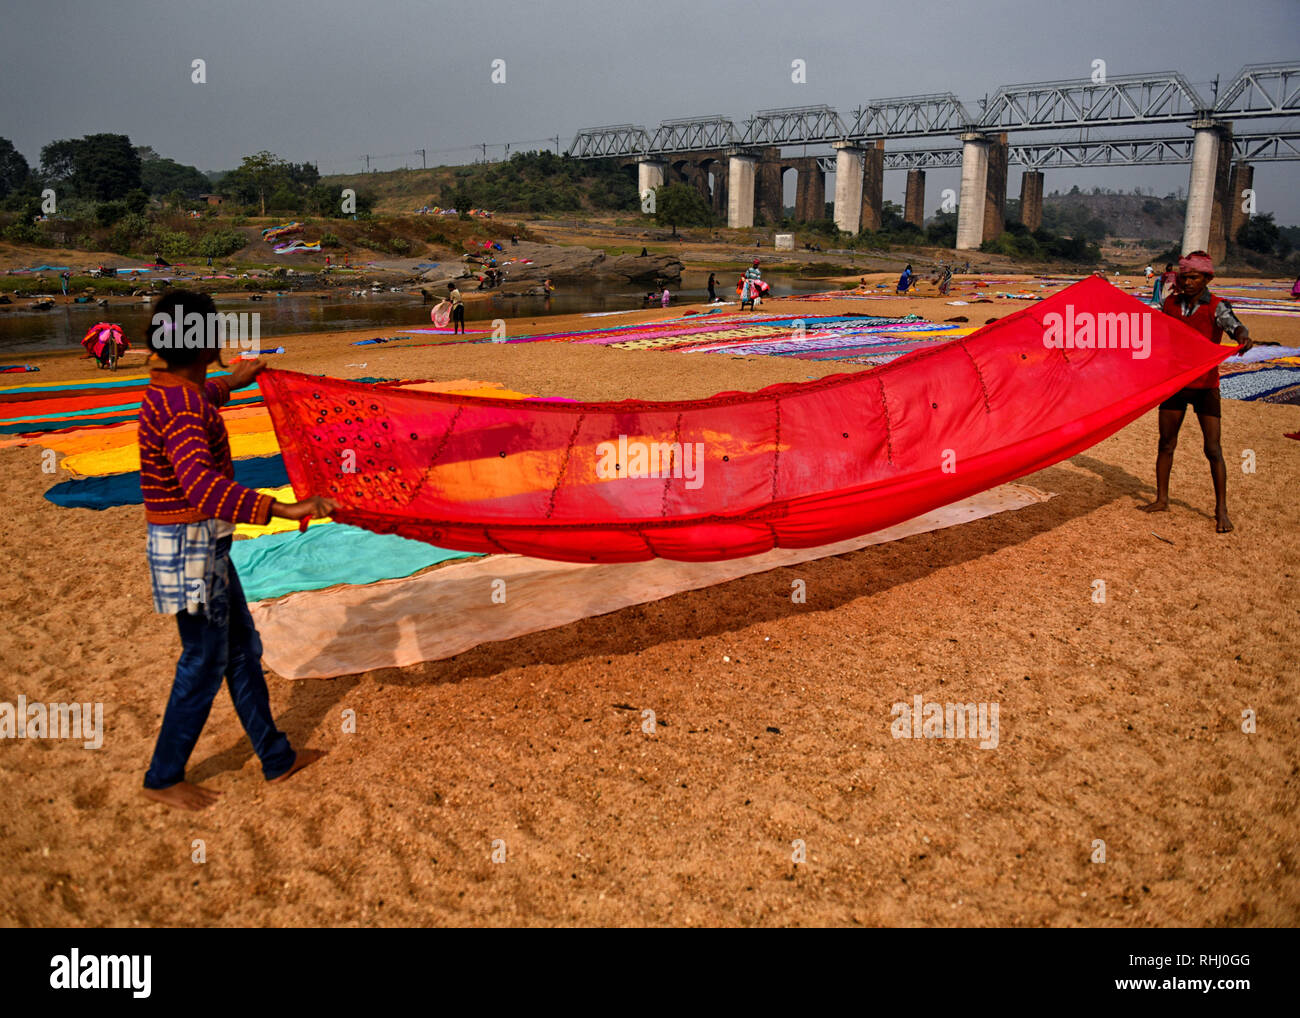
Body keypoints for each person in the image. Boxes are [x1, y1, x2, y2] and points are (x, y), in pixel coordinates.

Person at [138, 290, 334, 811]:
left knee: (241, 650)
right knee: (203, 660)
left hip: (202, 545)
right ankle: (164, 776)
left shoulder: (169, 390)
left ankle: (275, 756)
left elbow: (200, 397)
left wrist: (235, 380)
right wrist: (283, 509)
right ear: (206, 348)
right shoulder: (181, 405)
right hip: (192, 549)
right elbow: (201, 486)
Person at [1139, 252, 1253, 533]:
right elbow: (1154, 328)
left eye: (1194, 277)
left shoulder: (1216, 307)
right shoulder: (1170, 304)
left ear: (1206, 279)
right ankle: (1162, 498)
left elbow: (1235, 326)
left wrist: (1242, 338)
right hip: (1175, 384)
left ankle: (1221, 511)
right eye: (1185, 277)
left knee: (1213, 448)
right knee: (1166, 442)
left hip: (1205, 387)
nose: (1188, 282)